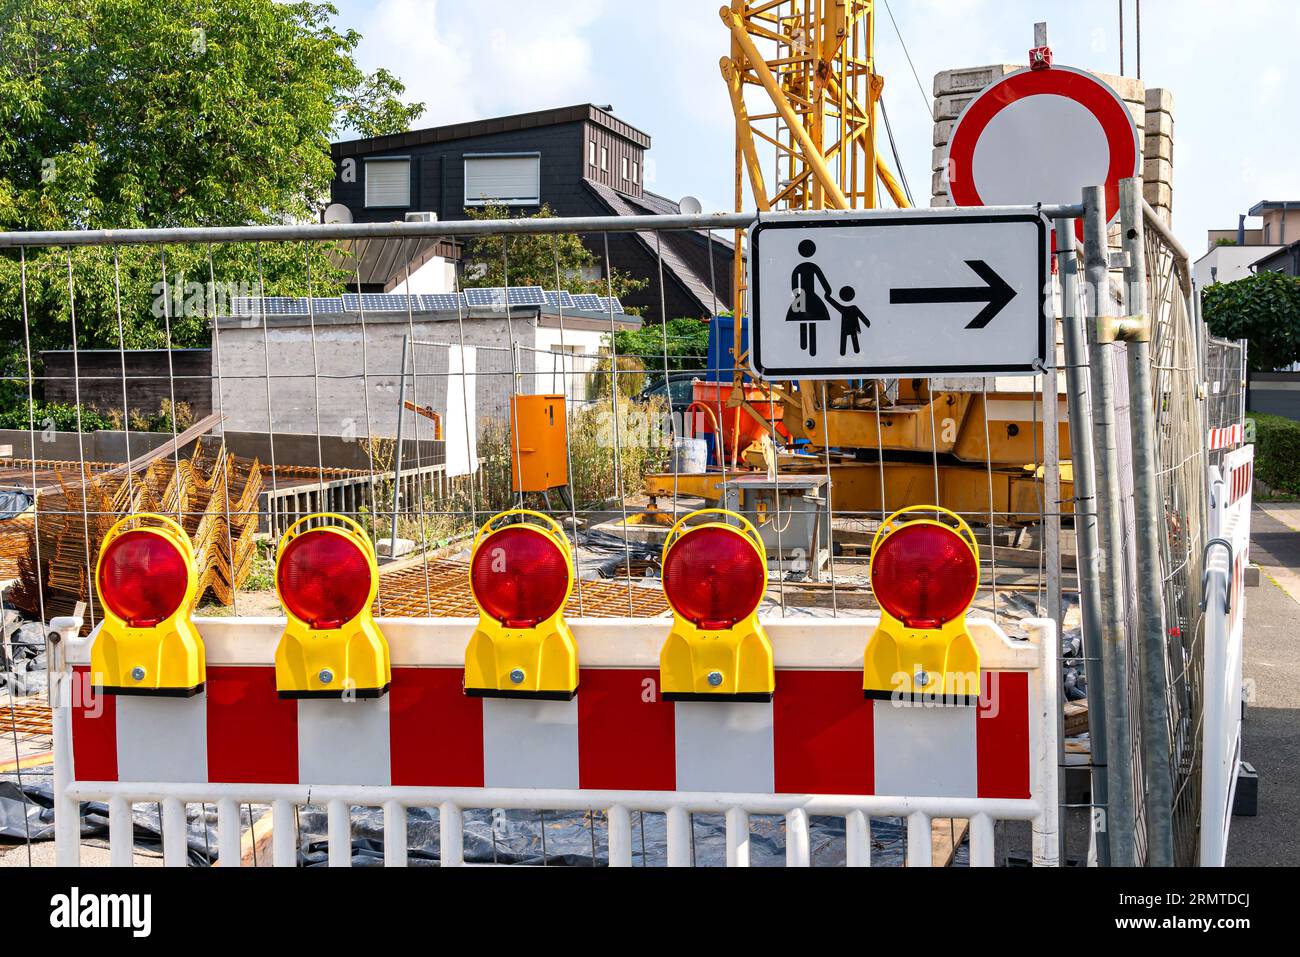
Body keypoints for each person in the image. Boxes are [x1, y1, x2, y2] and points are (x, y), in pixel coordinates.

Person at [785, 239, 832, 356]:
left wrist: (797, 296)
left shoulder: (799, 268)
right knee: (810, 320)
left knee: (804, 319)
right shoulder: (812, 267)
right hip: (810, 297)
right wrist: (828, 291)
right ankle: (808, 350)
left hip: (802, 297)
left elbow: (794, 284)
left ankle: (805, 347)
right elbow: (823, 281)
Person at [828, 285, 870, 356]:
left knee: (849, 341)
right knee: (851, 341)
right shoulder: (853, 308)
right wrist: (867, 323)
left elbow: (863, 318)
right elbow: (863, 318)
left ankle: (848, 352)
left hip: (849, 328)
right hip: (851, 327)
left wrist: (828, 297)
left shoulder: (848, 309)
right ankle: (849, 352)